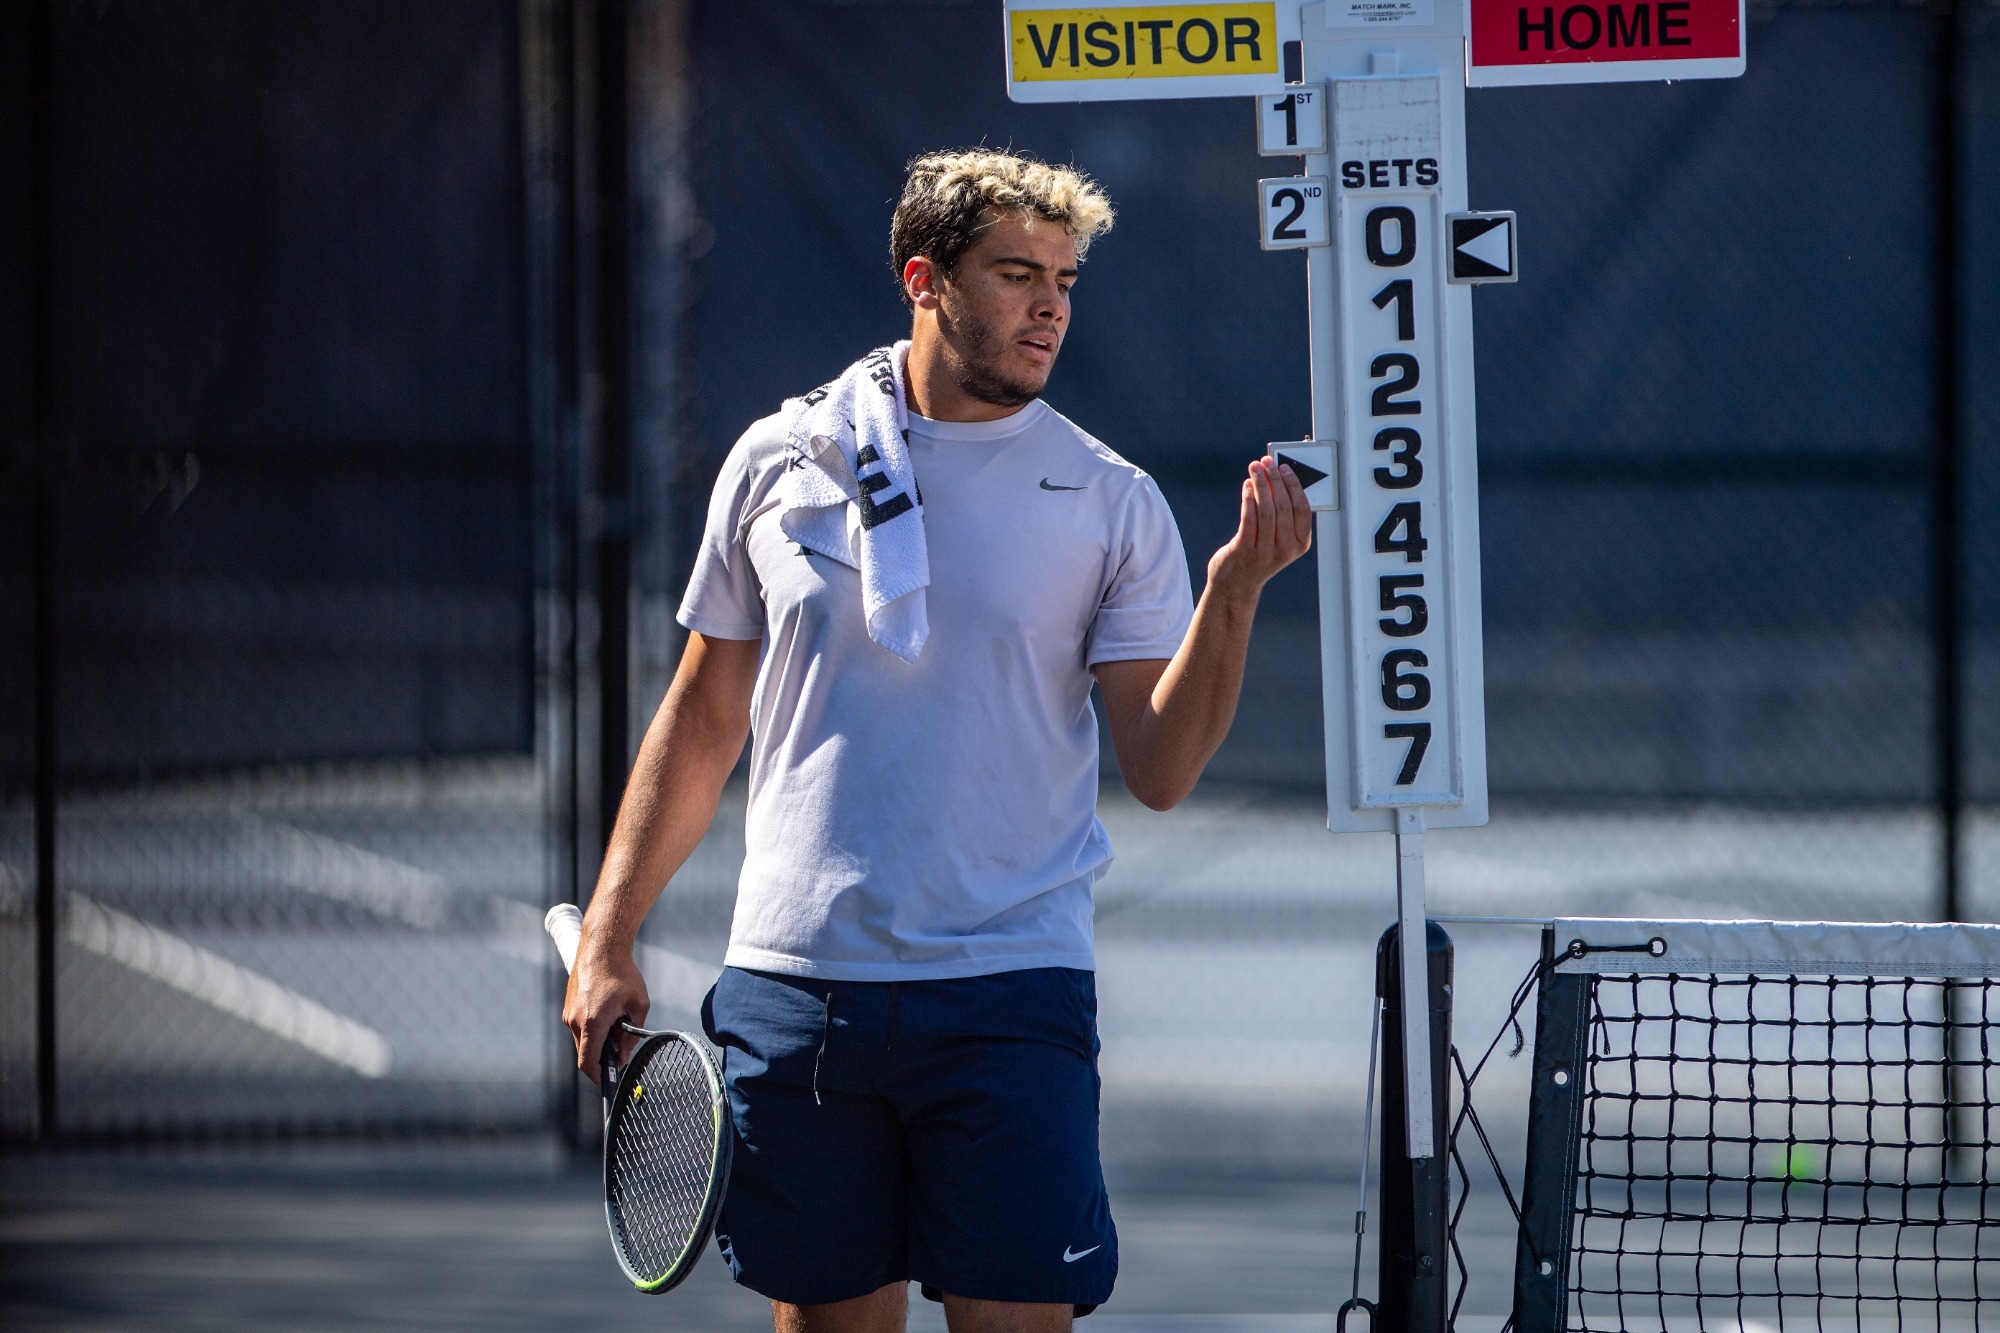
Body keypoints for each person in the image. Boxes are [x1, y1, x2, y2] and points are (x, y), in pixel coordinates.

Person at [563, 148, 1311, 1333]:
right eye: (1016, 274)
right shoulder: (780, 458)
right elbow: (701, 720)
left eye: (1064, 280)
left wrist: (1233, 592)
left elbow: (1161, 769)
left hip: (1008, 994)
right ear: (925, 280)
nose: (1049, 305)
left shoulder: (1109, 499)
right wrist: (608, 934)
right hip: (797, 991)